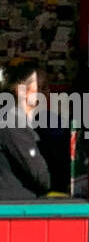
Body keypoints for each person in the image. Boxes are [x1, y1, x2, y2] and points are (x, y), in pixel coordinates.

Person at [0, 58, 52, 200]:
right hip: (15, 208)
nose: (47, 93)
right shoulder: (13, 123)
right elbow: (41, 177)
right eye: (41, 88)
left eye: (47, 87)